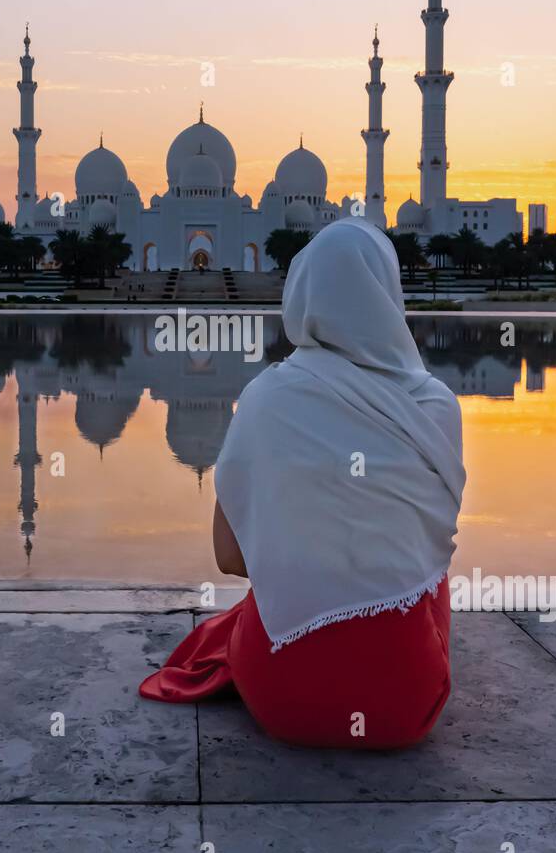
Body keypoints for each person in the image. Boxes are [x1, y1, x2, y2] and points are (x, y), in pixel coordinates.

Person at [139, 218, 466, 749]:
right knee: (428, 570)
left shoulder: (267, 398)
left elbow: (231, 559)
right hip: (405, 705)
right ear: (388, 293)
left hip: (282, 699)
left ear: (302, 293)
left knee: (277, 593)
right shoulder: (435, 407)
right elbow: (431, 547)